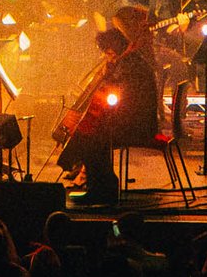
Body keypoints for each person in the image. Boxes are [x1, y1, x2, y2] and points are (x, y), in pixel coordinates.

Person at [57, 12, 158, 208]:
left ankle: (102, 190)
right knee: (94, 131)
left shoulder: (131, 65)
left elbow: (124, 99)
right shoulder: (128, 61)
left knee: (93, 136)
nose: (107, 57)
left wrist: (108, 77)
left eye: (109, 53)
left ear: (117, 48)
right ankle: (102, 185)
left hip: (139, 126)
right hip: (132, 120)